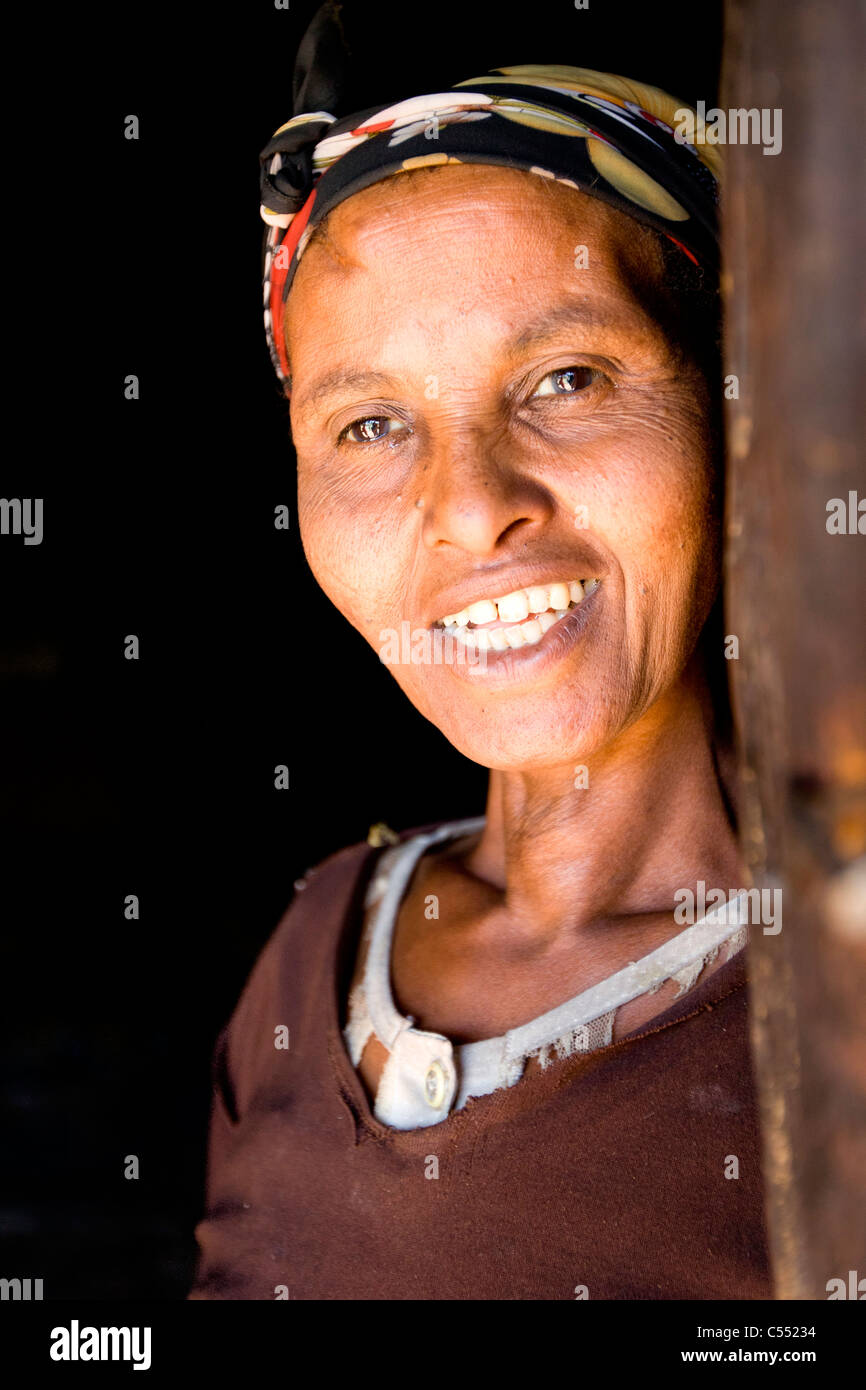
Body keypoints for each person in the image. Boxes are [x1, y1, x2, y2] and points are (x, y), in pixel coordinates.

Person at [189, 19, 771, 1300]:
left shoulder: (823, 999)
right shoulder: (318, 942)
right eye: (372, 422)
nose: (468, 505)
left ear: (735, 409)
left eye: (565, 378)